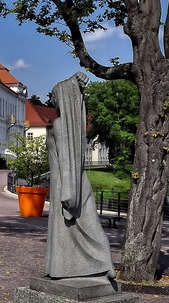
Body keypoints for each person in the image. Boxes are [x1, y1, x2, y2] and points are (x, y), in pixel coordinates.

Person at [45, 72, 116, 280]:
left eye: (55, 96)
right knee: (85, 226)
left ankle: (104, 264)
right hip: (73, 181)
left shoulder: (61, 125)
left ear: (65, 98)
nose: (52, 100)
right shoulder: (69, 127)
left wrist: (68, 191)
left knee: (88, 226)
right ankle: (77, 267)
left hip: (67, 183)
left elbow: (67, 160)